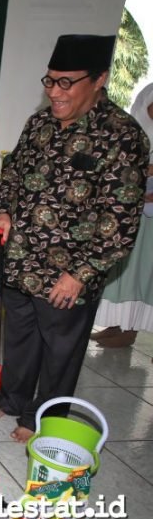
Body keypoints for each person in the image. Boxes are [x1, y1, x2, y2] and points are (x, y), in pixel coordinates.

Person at [0, 34, 149, 442]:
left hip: (69, 273)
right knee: (20, 339)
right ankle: (12, 400)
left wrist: (80, 274)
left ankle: (42, 418)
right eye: (50, 81)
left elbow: (120, 221)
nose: (54, 92)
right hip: (21, 259)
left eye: (66, 82)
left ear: (99, 80)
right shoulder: (39, 123)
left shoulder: (122, 136)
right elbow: (11, 177)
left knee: (60, 351)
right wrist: (3, 210)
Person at [91, 83, 153, 347]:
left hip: (149, 216)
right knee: (119, 274)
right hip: (129, 212)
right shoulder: (133, 129)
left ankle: (132, 329)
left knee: (141, 276)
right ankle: (116, 323)